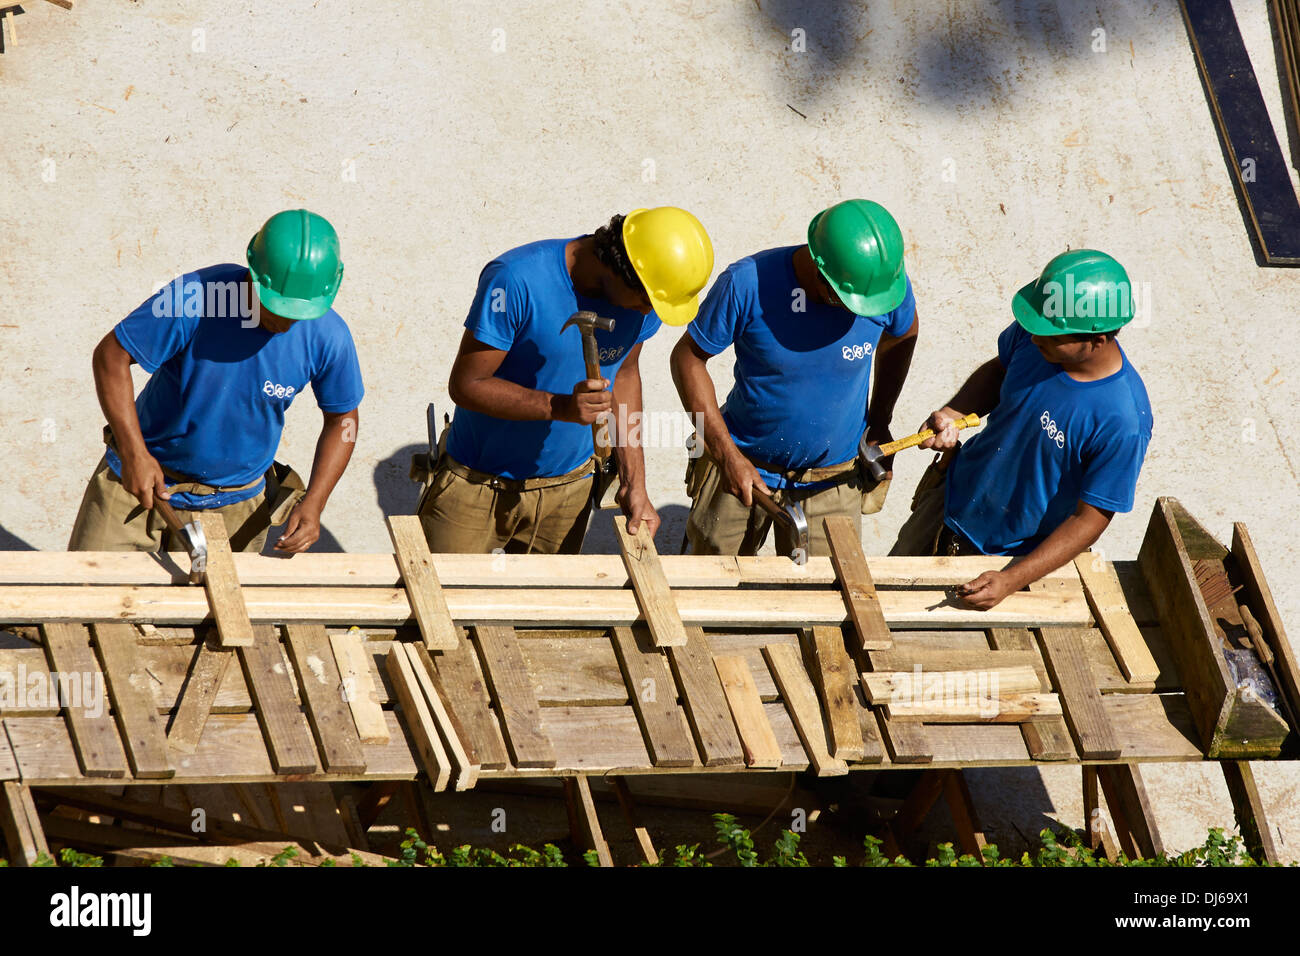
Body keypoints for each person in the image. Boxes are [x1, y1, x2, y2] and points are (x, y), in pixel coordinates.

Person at [417, 207, 713, 553]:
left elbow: (625, 375)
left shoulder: (638, 303)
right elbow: (468, 385)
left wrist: (635, 481)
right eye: (648, 301)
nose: (649, 312)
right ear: (621, 270)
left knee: (549, 605)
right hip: (476, 486)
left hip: (568, 493)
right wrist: (557, 406)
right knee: (445, 600)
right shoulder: (516, 279)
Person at [68, 209, 364, 555]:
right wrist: (134, 452)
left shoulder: (330, 336)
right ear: (253, 273)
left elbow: (343, 419)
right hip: (134, 486)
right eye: (276, 306)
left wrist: (315, 501)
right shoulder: (195, 297)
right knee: (94, 597)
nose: (285, 321)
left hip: (234, 508)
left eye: (298, 313)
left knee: (208, 610)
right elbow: (111, 355)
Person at [892, 248, 1152, 609]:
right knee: (887, 599)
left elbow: (1089, 518)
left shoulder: (1122, 420)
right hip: (947, 506)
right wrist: (953, 412)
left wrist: (1012, 579)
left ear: (1097, 339)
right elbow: (999, 370)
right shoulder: (1039, 337)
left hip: (1008, 558)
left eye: (1048, 333)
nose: (1032, 337)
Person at [670, 199, 918, 557]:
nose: (858, 312)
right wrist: (726, 455)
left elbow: (903, 332)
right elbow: (688, 358)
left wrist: (880, 420)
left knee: (826, 599)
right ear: (819, 269)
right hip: (742, 469)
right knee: (711, 589)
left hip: (832, 479)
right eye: (847, 301)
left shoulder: (877, 287)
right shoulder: (748, 283)